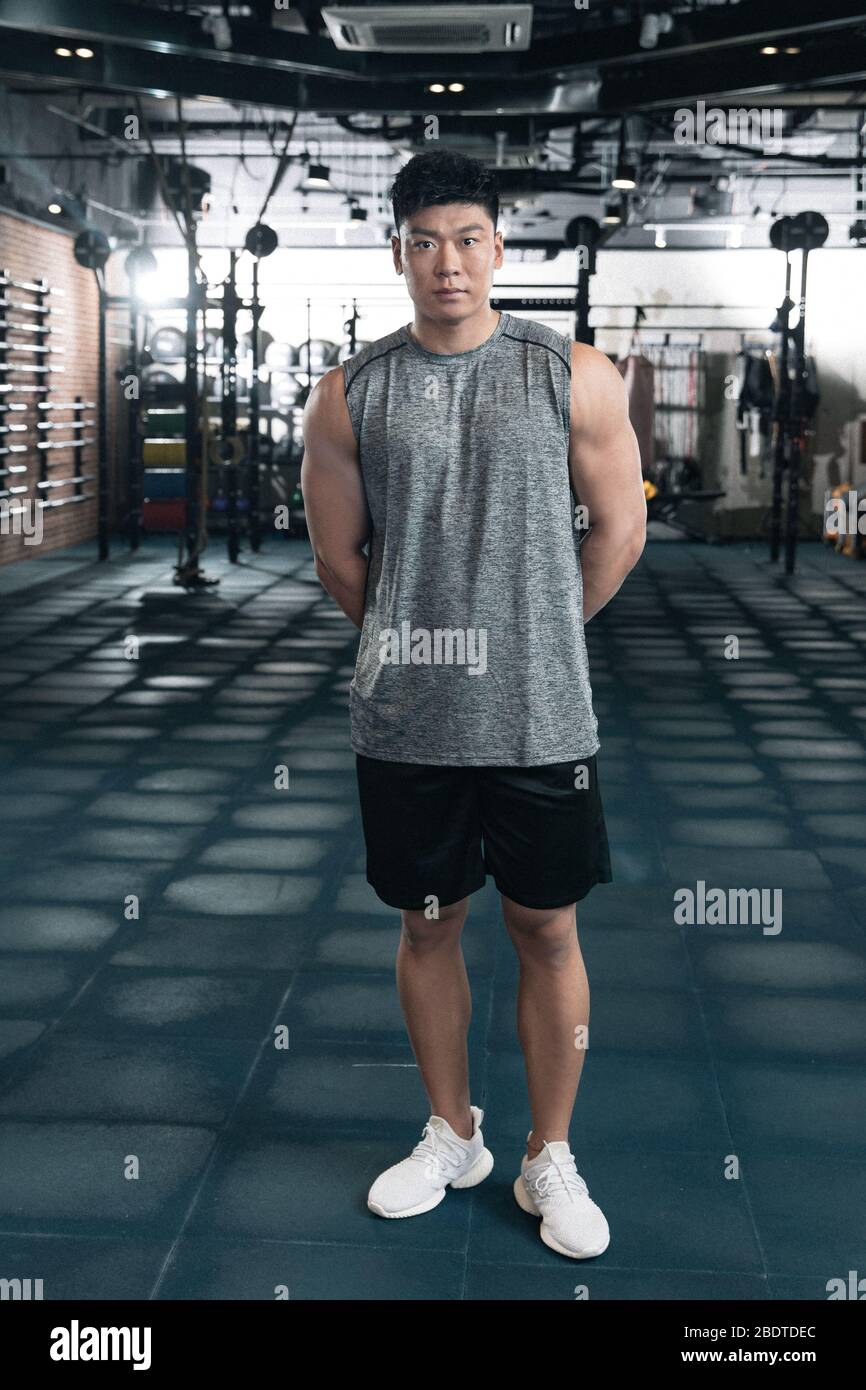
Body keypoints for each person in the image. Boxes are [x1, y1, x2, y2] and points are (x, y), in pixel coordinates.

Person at [301, 149, 646, 1260]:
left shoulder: (571, 374)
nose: (443, 262)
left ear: (497, 247)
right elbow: (338, 558)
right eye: (420, 241)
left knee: (546, 924)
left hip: (541, 718)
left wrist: (537, 636)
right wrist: (417, 650)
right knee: (427, 920)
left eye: (464, 238)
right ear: (395, 252)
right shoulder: (351, 389)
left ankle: (549, 1152)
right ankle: (453, 1131)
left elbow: (619, 529)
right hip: (408, 719)